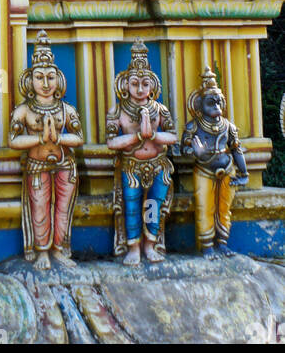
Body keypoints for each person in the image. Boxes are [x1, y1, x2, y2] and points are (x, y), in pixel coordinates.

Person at [9, 30, 83, 270]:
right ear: (30, 80)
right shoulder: (23, 111)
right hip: (37, 166)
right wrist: (39, 139)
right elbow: (13, 140)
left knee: (62, 210)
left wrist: (59, 137)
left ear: (58, 80)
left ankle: (59, 249)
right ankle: (42, 250)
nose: (45, 83)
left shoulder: (66, 109)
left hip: (65, 166)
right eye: (39, 77)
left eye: (50, 77)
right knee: (40, 209)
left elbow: (79, 138)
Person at [106, 40, 177, 264]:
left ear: (152, 86)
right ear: (125, 84)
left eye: (145, 84)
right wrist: (137, 136)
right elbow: (111, 142)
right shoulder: (118, 111)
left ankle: (150, 244)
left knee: (153, 205)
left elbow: (173, 136)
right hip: (131, 166)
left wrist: (153, 136)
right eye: (134, 83)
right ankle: (133, 247)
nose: (139, 89)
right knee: (132, 206)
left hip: (157, 165)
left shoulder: (160, 110)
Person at [182, 64, 248, 256]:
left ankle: (222, 243)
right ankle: (207, 245)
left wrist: (243, 173)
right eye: (211, 103)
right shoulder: (193, 127)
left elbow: (236, 149)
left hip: (227, 169)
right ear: (199, 105)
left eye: (219, 102)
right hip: (204, 170)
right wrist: (197, 153)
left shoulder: (228, 126)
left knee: (224, 208)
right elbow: (184, 150)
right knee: (205, 207)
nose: (217, 107)